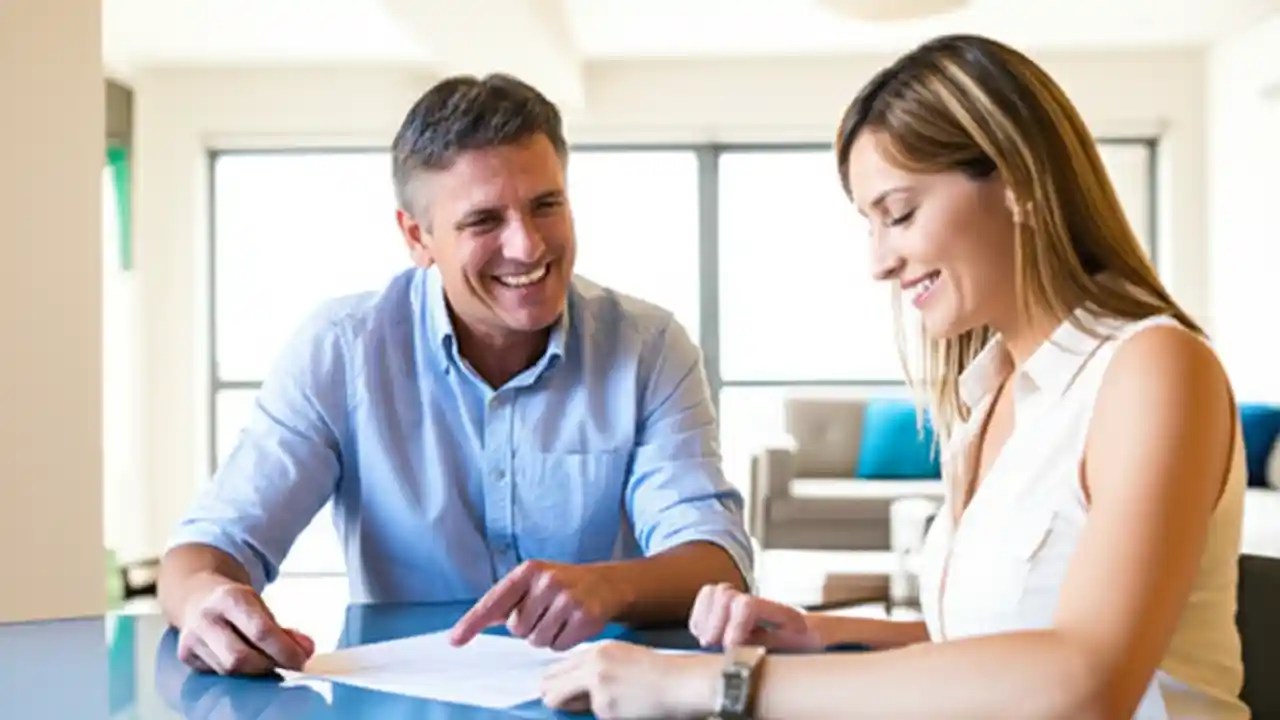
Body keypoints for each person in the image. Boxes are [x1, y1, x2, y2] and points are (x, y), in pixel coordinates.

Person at [541, 33, 1249, 720]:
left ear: (1019, 183)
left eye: (900, 214)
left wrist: (712, 685)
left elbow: (1087, 684)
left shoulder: (1153, 369)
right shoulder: (992, 394)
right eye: (869, 224)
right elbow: (993, 651)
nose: (880, 261)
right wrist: (817, 636)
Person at [157, 73, 753, 677]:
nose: (527, 246)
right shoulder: (341, 352)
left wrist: (611, 586)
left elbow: (715, 560)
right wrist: (207, 600)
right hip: (401, 699)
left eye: (546, 204)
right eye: (484, 221)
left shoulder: (648, 347)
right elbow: (209, 550)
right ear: (418, 236)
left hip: (601, 696)